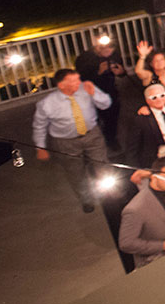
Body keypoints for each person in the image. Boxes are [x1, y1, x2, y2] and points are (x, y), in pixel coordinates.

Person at [32, 68, 112, 212]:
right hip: (66, 142)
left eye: (78, 79)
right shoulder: (47, 103)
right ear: (61, 85)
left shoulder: (86, 89)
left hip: (92, 135)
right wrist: (40, 147)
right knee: (75, 172)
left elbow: (106, 104)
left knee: (102, 165)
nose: (79, 83)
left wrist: (94, 93)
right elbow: (39, 126)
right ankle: (86, 199)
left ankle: (108, 194)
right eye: (74, 81)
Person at [118, 156, 165, 268]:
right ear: (153, 177)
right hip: (157, 262)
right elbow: (126, 243)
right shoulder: (135, 209)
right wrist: (163, 246)